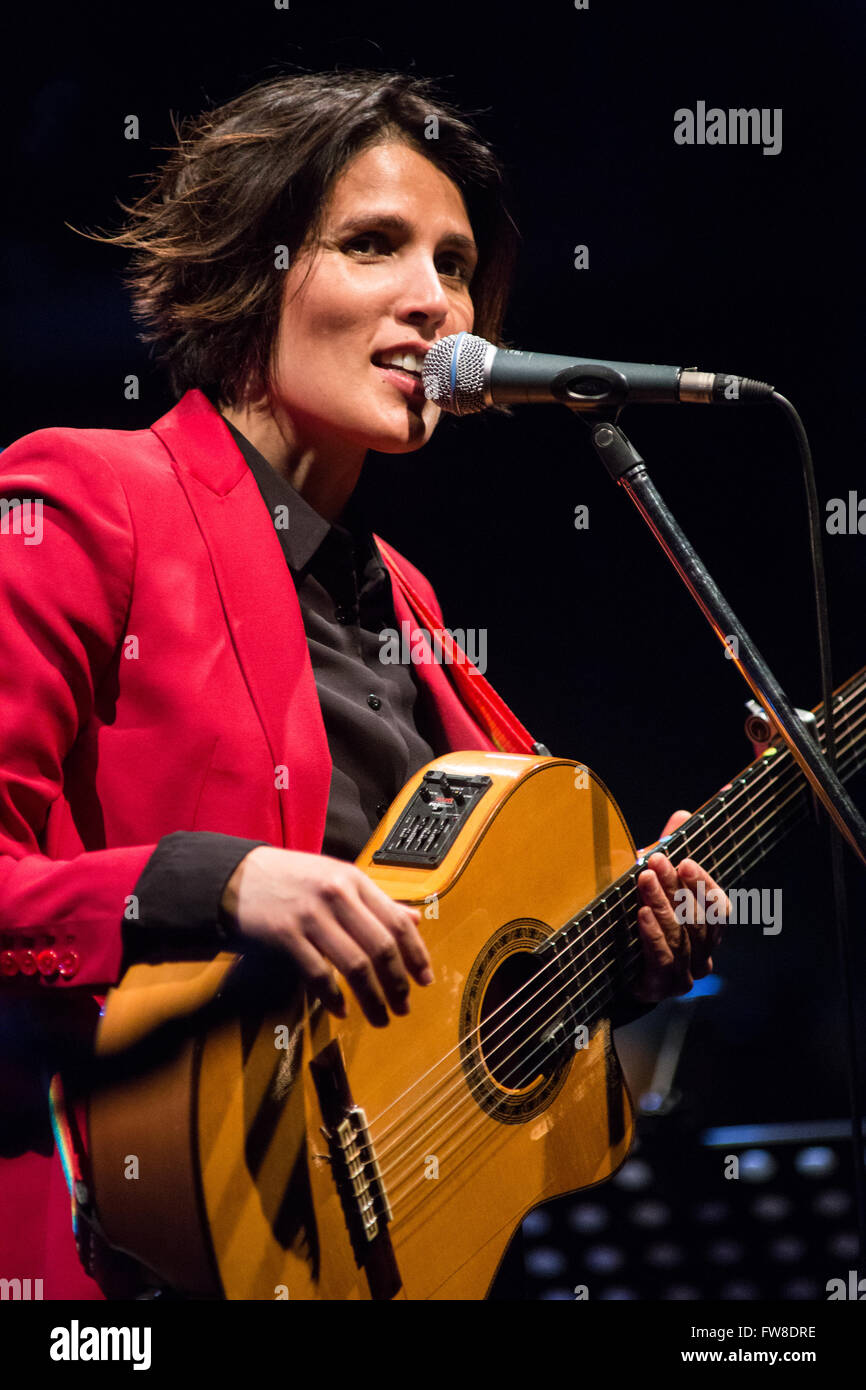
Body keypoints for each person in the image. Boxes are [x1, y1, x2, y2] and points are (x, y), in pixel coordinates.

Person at [0, 69, 728, 1299]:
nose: (432, 301)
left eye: (453, 264)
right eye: (371, 246)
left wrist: (634, 968)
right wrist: (212, 879)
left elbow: (448, 1005)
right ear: (250, 271)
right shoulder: (88, 498)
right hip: (107, 1250)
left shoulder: (412, 606)